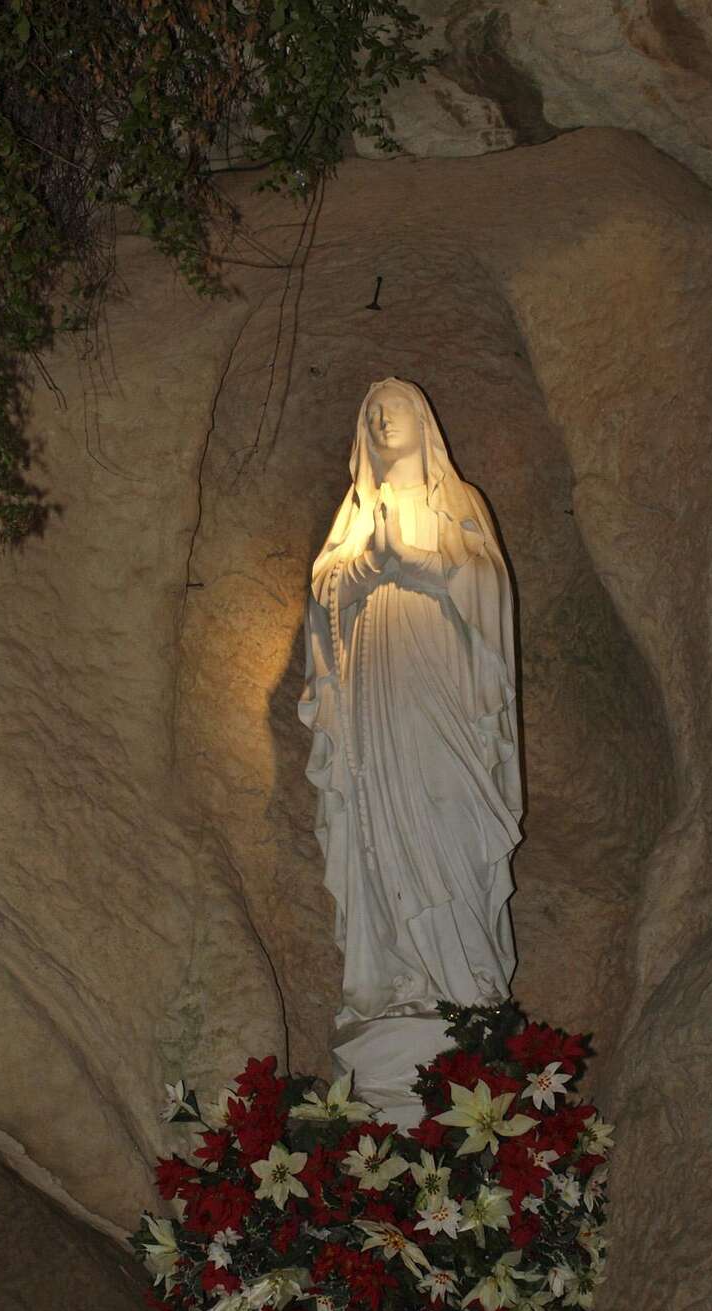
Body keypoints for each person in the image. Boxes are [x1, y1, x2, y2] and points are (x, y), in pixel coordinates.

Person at [300, 379, 522, 1114]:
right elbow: (324, 596)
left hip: (440, 683)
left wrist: (425, 567)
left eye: (394, 404)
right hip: (377, 688)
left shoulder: (457, 505)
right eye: (370, 408)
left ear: (423, 421)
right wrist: (368, 566)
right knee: (386, 826)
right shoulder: (352, 520)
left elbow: (487, 583)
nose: (381, 413)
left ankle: (464, 982)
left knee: (444, 804)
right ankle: (400, 979)